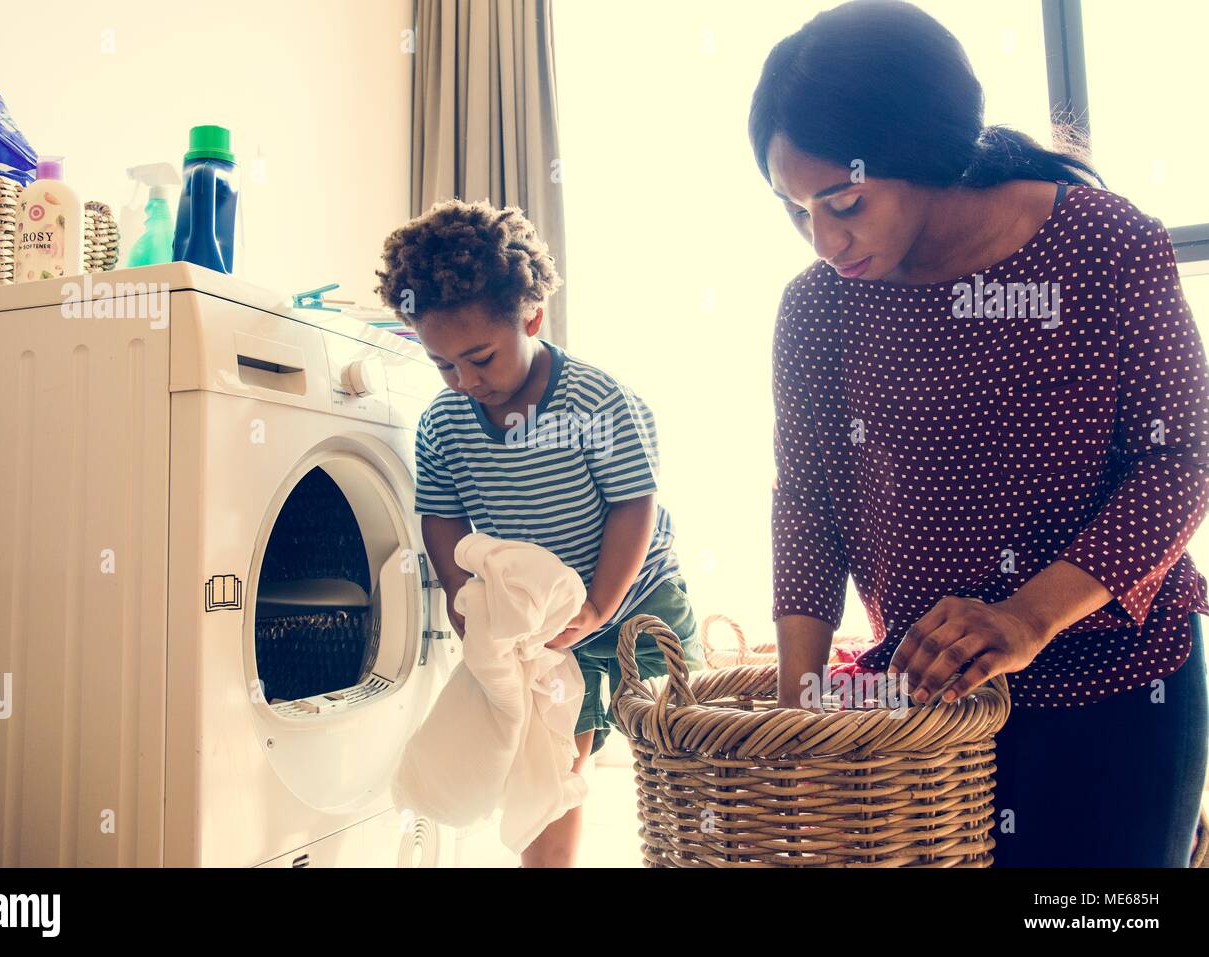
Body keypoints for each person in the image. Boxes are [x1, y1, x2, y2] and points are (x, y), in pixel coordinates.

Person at [750, 0, 1209, 866]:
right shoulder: (817, 309)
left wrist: (1025, 618)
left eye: (843, 201)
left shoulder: (1103, 245)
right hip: (932, 715)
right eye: (794, 210)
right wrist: (801, 710)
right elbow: (806, 504)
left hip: (1116, 688)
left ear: (922, 148)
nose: (822, 239)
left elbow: (1180, 459)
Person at [374, 198, 706, 867]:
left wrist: (600, 607)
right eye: (443, 365)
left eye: (480, 358)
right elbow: (441, 516)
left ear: (531, 317)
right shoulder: (443, 425)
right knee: (548, 767)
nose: (465, 381)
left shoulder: (596, 400)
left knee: (684, 740)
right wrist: (464, 601)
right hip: (542, 624)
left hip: (637, 595)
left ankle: (700, 850)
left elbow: (633, 506)